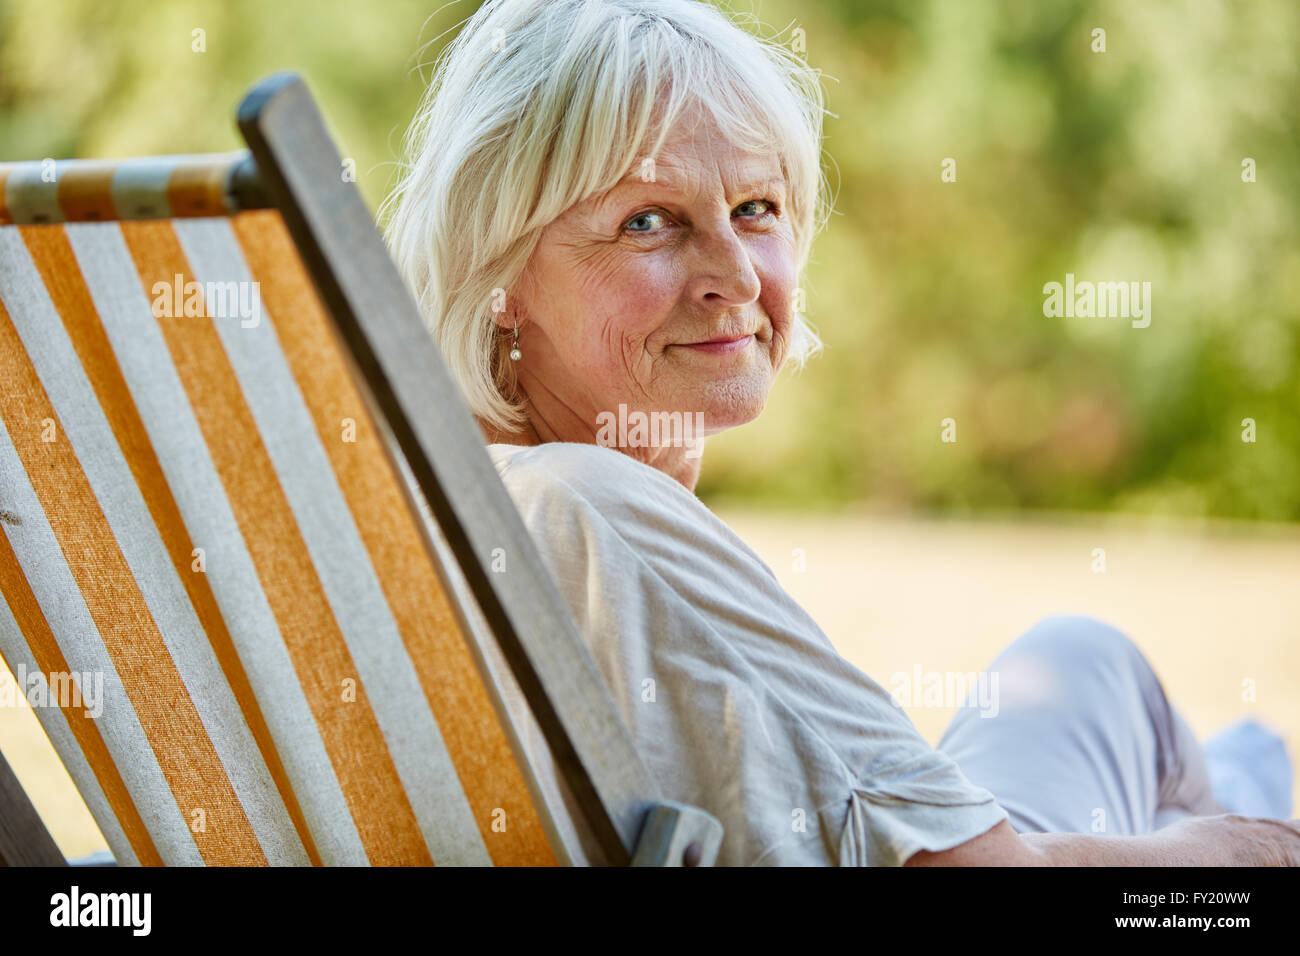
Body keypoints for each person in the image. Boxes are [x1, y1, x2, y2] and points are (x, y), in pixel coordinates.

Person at [383, 0, 1297, 865]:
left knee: (1085, 664)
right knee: (1154, 729)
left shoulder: (438, 521)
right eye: (648, 220)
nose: (737, 276)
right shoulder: (581, 506)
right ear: (497, 277)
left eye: (756, 209)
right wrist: (1236, 858)